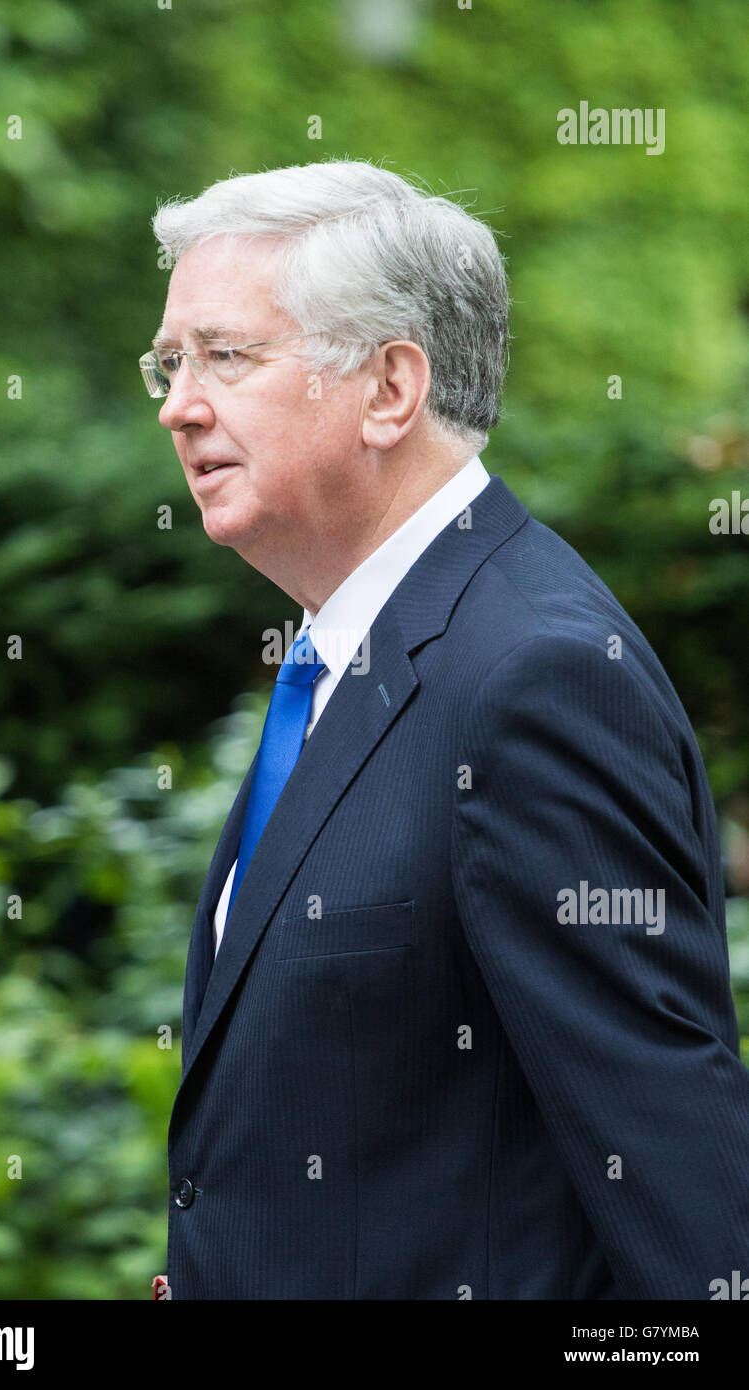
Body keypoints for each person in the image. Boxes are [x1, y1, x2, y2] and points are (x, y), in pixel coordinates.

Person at [141, 159, 749, 1300]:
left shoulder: (537, 676)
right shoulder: (344, 651)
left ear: (388, 389)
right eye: (169, 363)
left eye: (225, 355)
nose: (179, 402)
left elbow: (681, 1187)